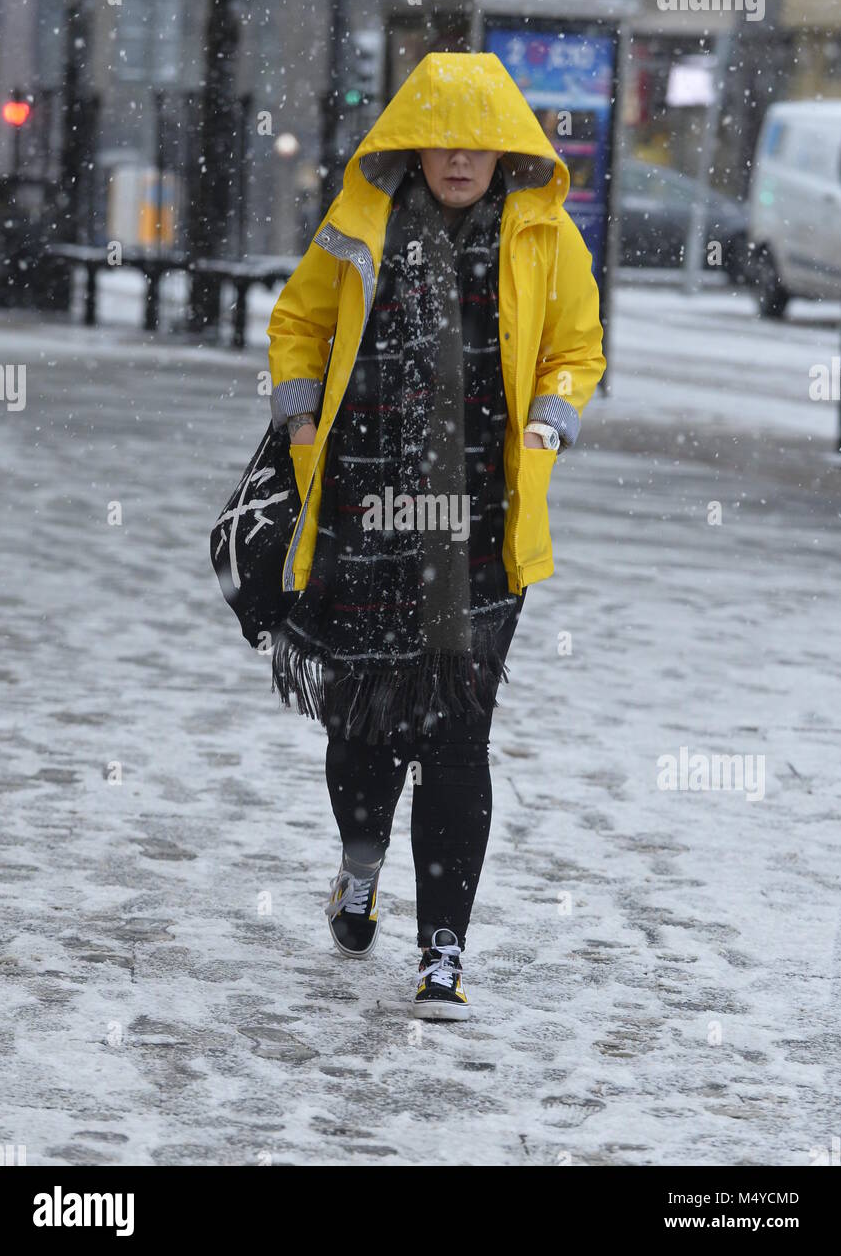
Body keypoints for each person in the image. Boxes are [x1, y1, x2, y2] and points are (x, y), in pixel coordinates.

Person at [266, 52, 605, 1020]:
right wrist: (298, 420)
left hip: (484, 534)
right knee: (362, 722)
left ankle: (442, 951)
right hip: (361, 517)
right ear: (412, 143)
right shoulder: (359, 220)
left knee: (457, 734)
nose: (460, 158)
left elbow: (576, 347)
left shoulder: (542, 233)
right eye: (443, 138)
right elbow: (297, 322)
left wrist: (550, 415)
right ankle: (360, 866)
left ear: (506, 150)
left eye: (479, 141)